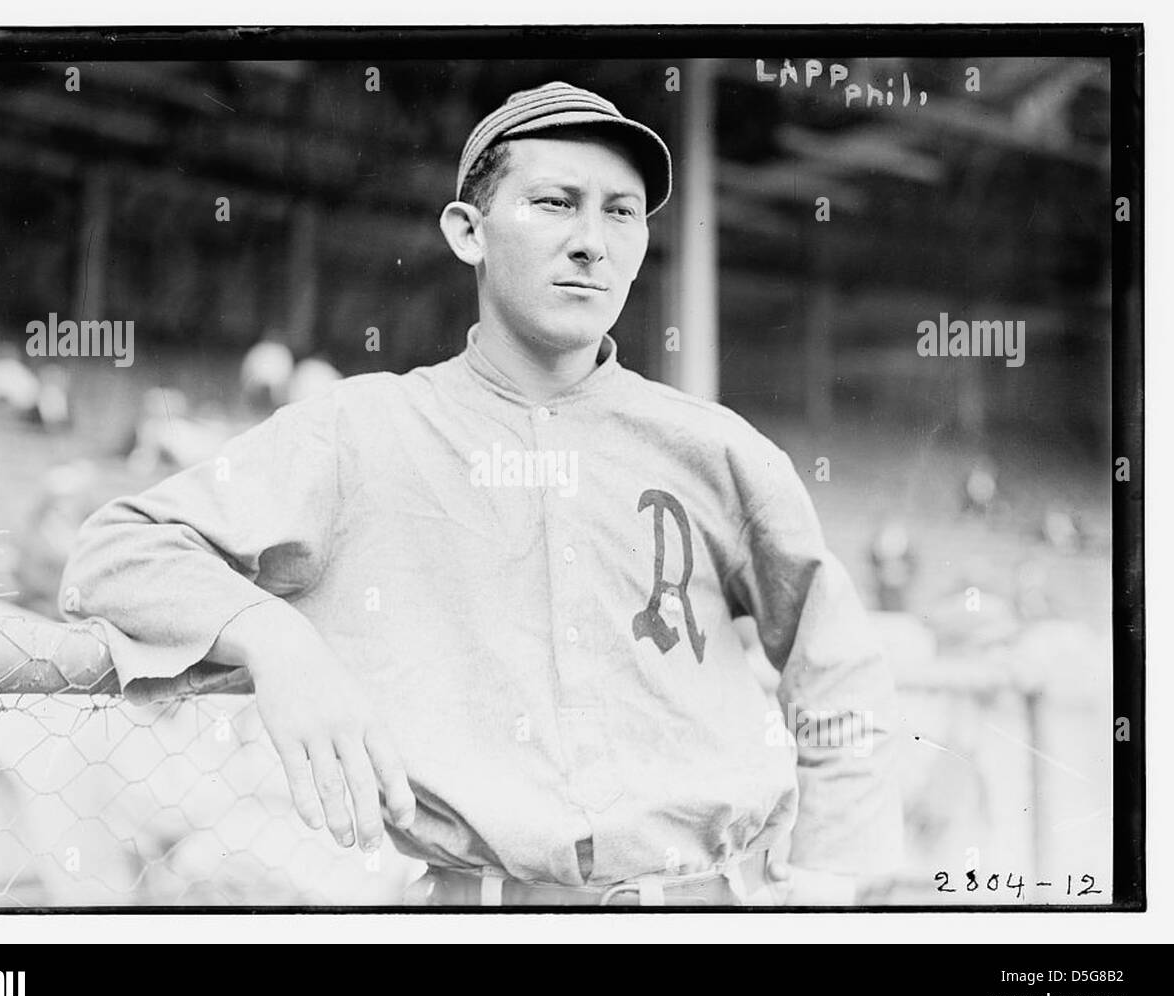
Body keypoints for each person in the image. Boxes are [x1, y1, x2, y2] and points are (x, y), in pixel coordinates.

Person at [60, 81, 903, 907]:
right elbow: (118, 550)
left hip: (707, 902)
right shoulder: (362, 433)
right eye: (554, 203)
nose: (592, 241)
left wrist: (834, 863)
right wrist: (275, 642)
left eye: (620, 212)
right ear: (468, 231)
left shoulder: (716, 447)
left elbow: (836, 657)